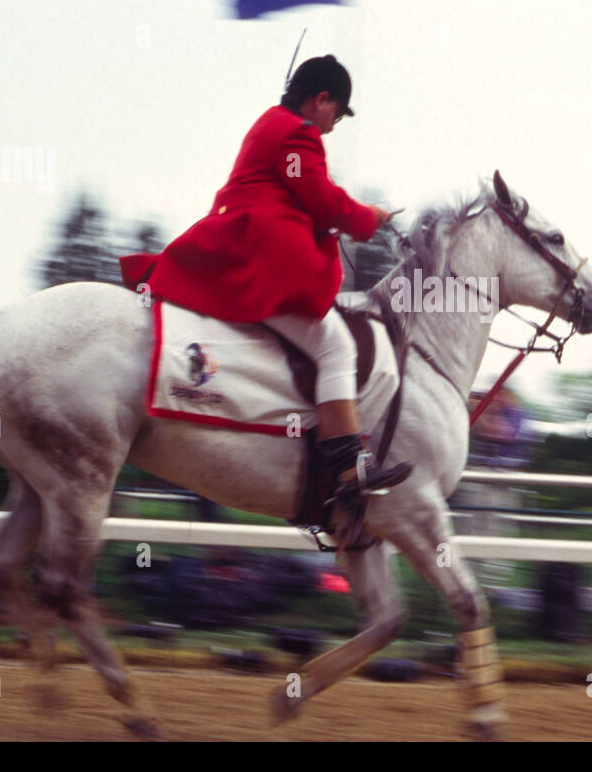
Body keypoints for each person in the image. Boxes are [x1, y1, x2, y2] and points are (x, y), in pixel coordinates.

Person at [121, 55, 411, 505]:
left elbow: (303, 194)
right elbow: (322, 201)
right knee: (337, 346)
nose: (334, 126)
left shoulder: (270, 123)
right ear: (321, 100)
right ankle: (347, 467)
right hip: (262, 264)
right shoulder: (299, 134)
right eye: (337, 114)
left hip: (236, 249)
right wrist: (369, 217)